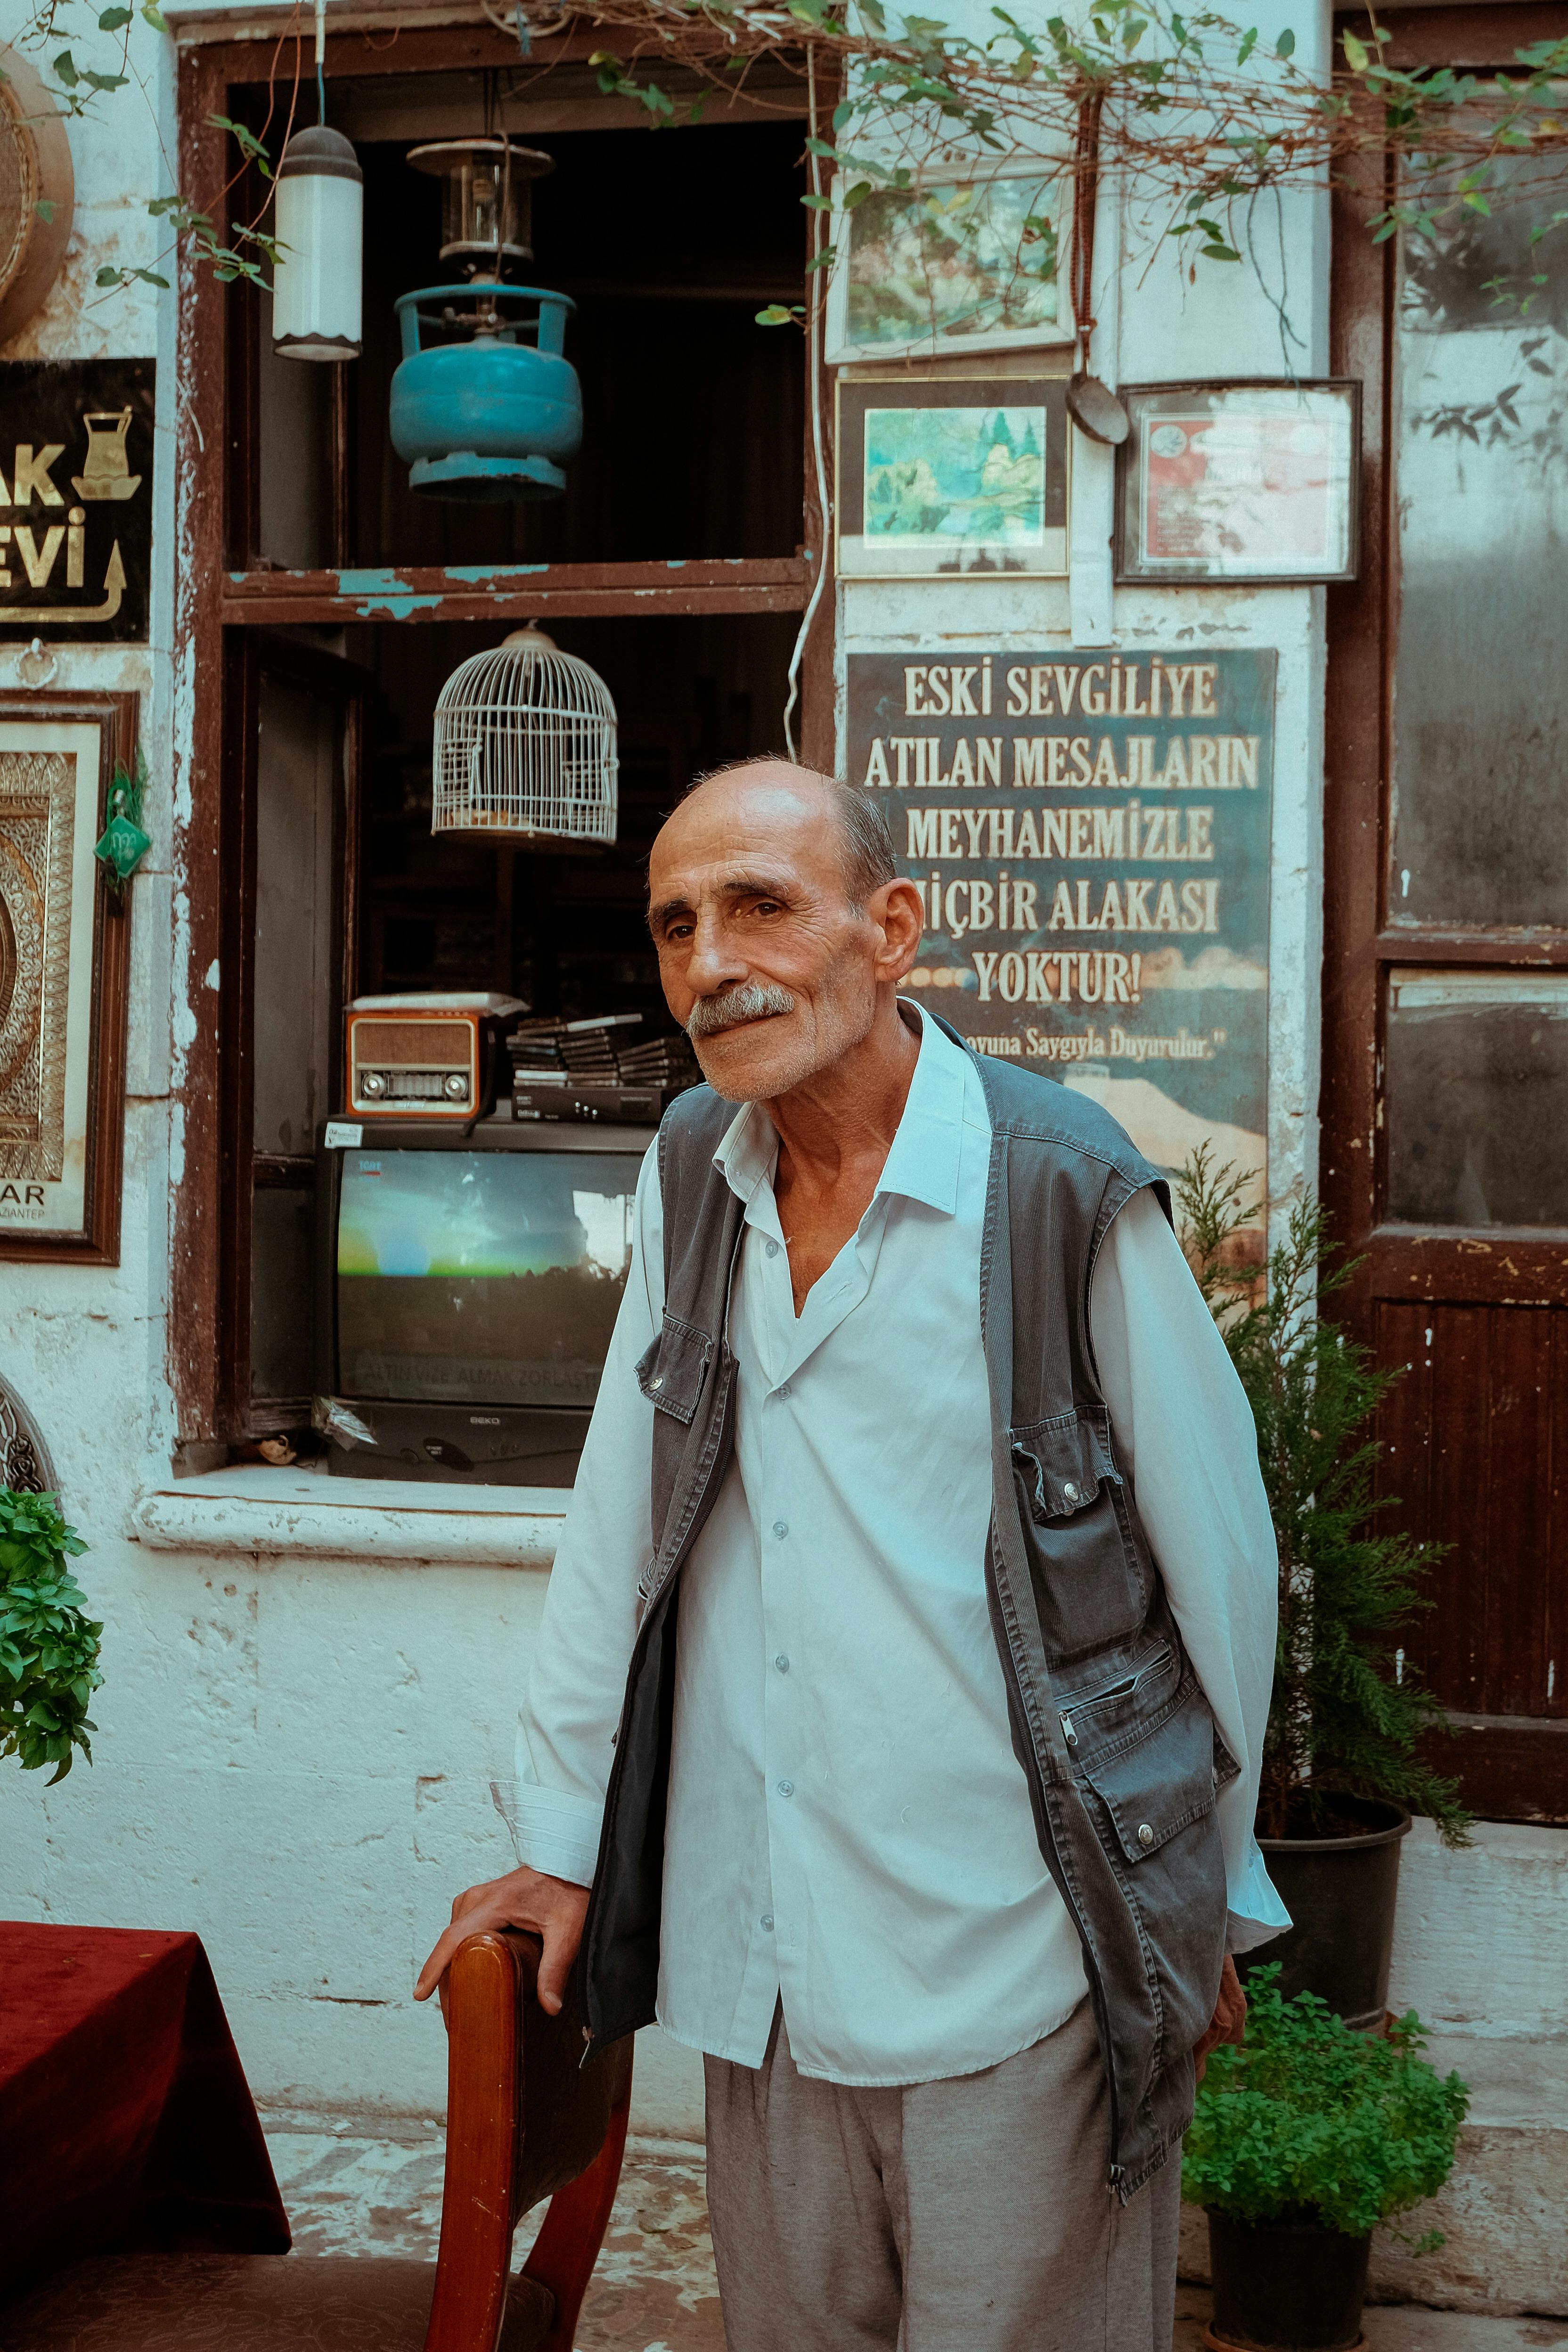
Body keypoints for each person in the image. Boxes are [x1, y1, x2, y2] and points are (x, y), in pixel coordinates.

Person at [417, 759, 1289, 2352]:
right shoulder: (695, 1168)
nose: (710, 964)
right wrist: (558, 1838)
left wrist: (1204, 1902)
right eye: (676, 925)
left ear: (891, 931)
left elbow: (1221, 1565)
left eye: (760, 905)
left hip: (1024, 1959)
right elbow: (615, 1524)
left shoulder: (1059, 1187)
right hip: (762, 1959)